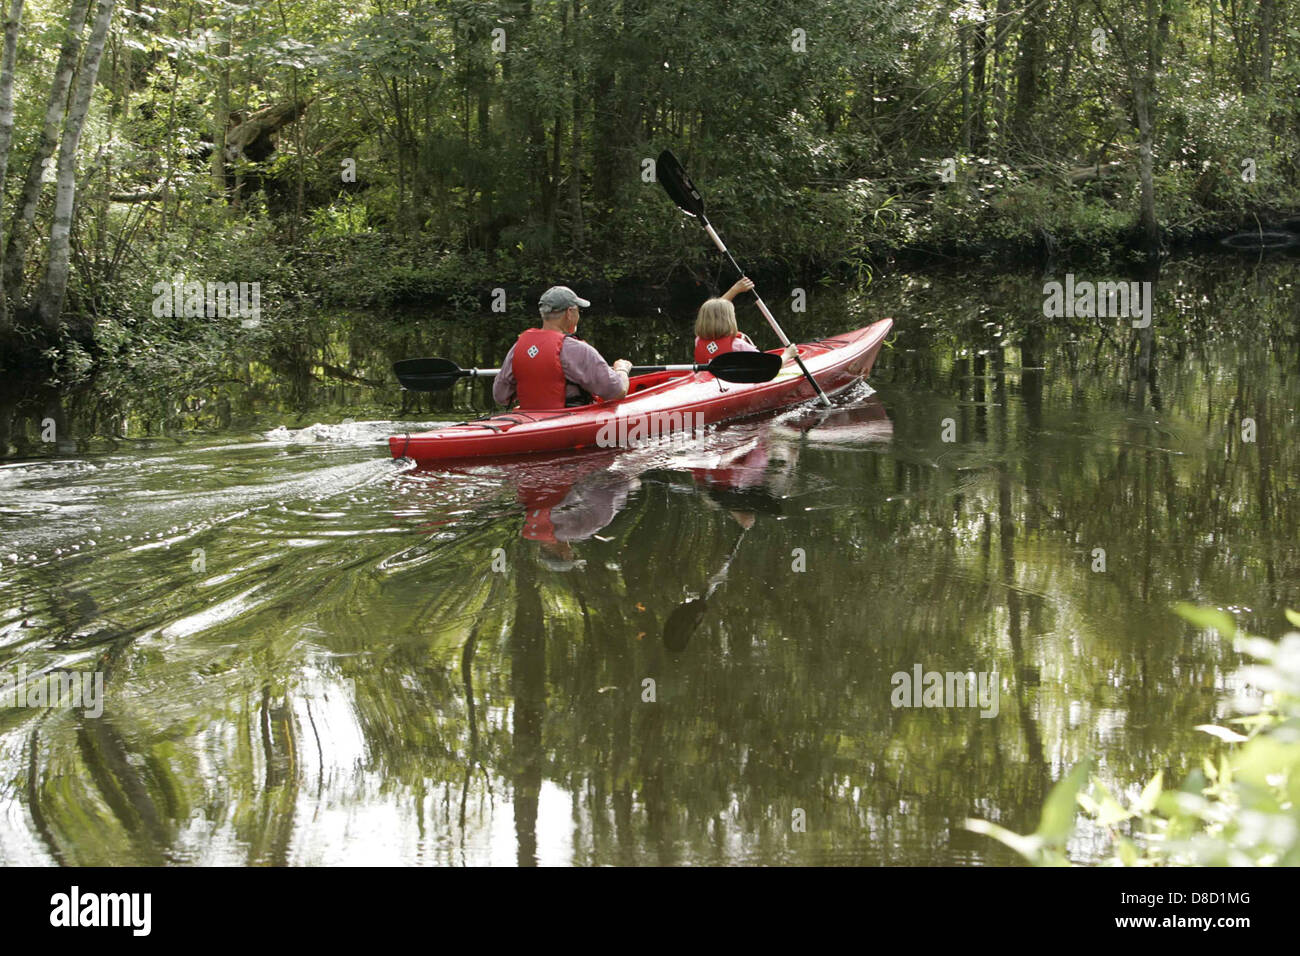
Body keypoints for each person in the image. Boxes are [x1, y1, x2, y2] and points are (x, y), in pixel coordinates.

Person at [494, 286, 633, 409]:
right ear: (569, 313)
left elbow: (500, 396)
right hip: (567, 421)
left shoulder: (518, 347)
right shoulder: (578, 350)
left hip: (529, 420)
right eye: (578, 311)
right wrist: (622, 370)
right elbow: (616, 392)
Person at [693, 277, 798, 366]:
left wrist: (734, 290)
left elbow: (713, 312)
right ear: (730, 320)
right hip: (736, 384)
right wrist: (787, 354)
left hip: (710, 383)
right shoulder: (739, 345)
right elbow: (767, 366)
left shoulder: (698, 341)